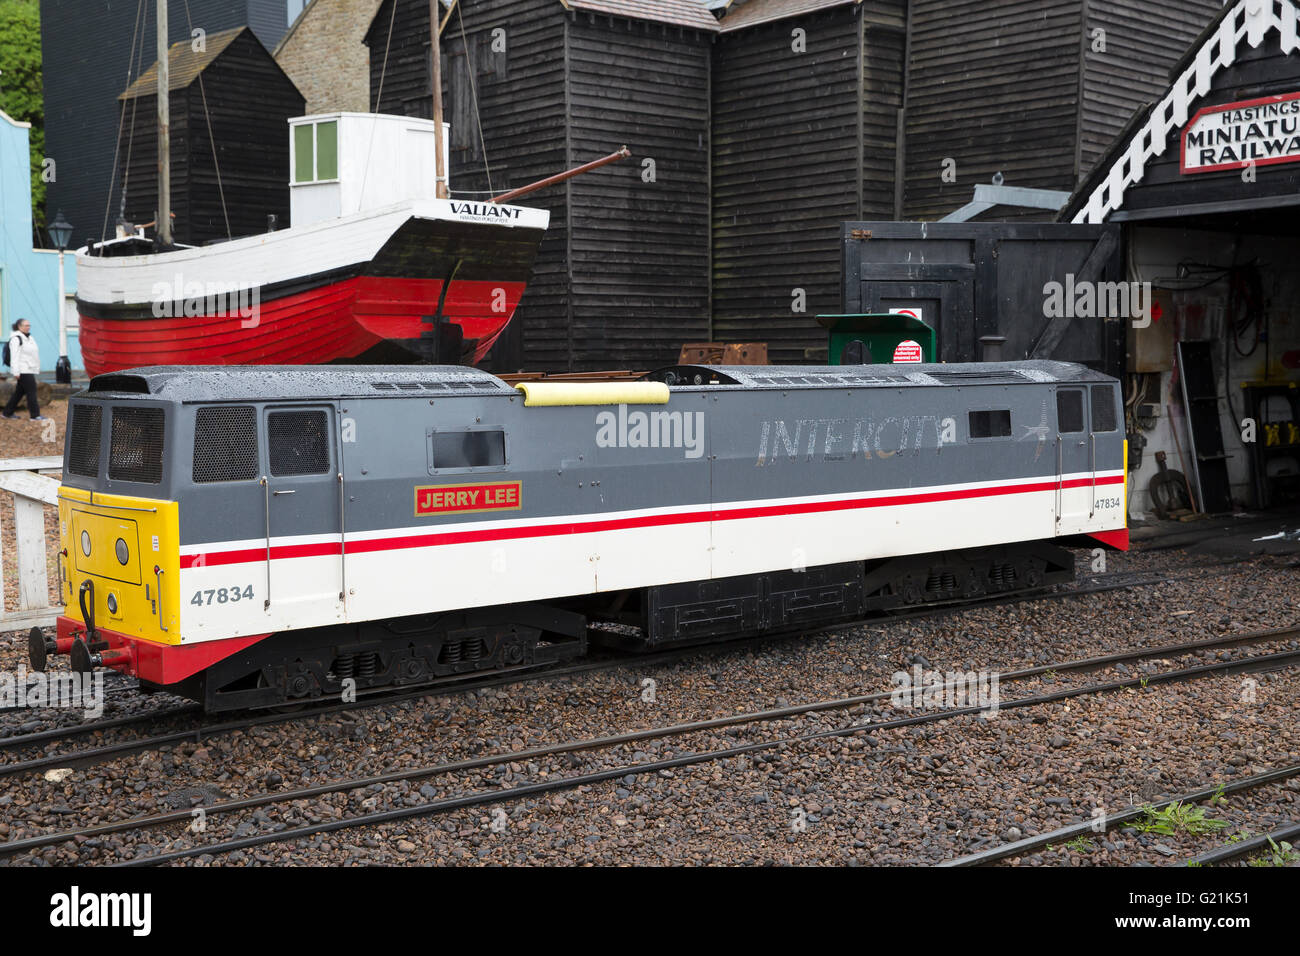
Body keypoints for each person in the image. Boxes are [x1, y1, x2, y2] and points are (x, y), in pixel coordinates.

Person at [3, 319, 47, 421]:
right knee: (32, 392)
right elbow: (14, 357)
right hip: (23, 370)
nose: (28, 327)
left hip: (29, 369)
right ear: (19, 326)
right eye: (26, 325)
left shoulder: (30, 338)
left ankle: (7, 413)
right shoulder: (16, 339)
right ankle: (35, 415)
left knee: (19, 392)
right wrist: (16, 372)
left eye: (29, 325)